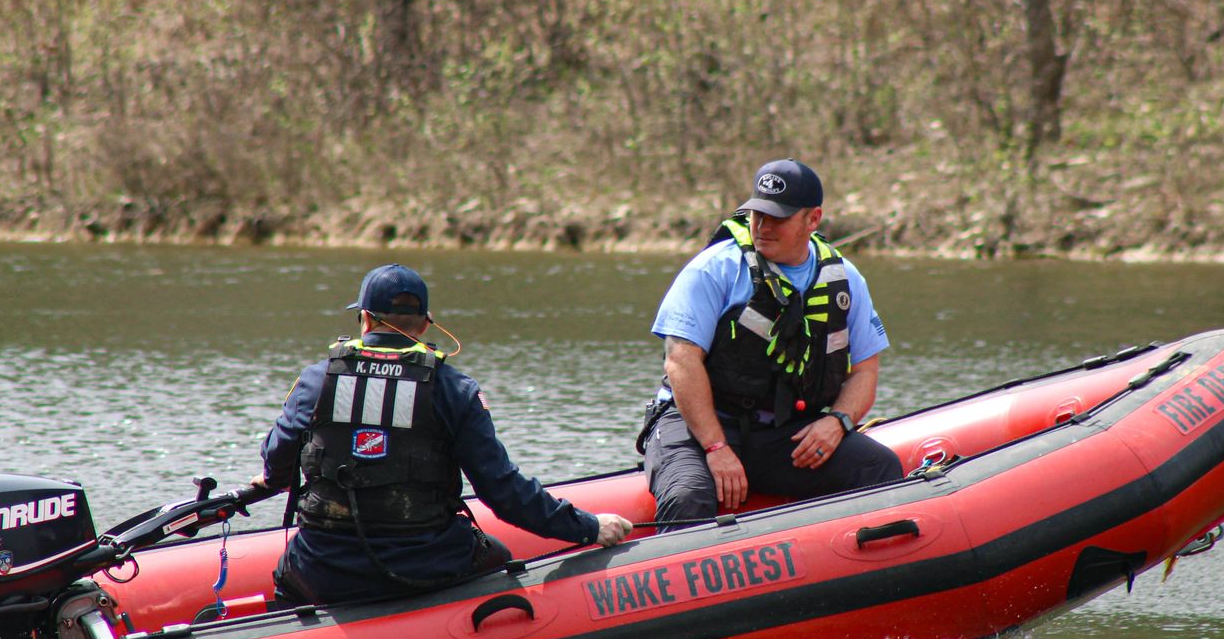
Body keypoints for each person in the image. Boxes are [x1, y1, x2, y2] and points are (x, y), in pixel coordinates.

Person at [252, 263, 631, 606]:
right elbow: (503, 491)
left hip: (322, 570)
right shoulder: (455, 390)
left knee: (286, 577)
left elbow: (278, 461)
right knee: (503, 562)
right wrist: (588, 527)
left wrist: (272, 477)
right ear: (425, 324)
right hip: (426, 566)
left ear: (365, 319)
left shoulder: (315, 380)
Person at [641, 159, 902, 525]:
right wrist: (717, 447)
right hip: (697, 426)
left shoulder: (845, 279)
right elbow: (680, 361)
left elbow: (864, 370)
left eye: (777, 218)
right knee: (688, 496)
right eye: (756, 215)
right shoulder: (713, 269)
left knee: (879, 466)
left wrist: (838, 422)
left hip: (781, 433)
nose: (762, 227)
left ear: (812, 220)